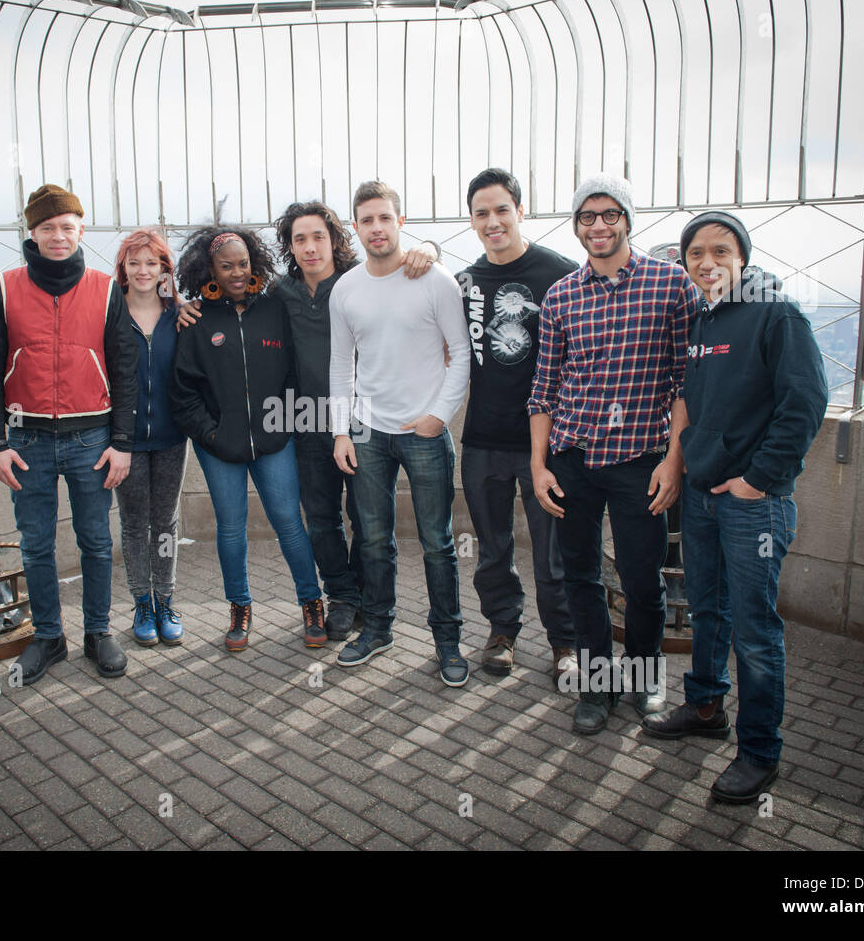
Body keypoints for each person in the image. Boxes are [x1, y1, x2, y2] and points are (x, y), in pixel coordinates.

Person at [186, 202, 440, 642]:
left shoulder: (363, 282)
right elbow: (226, 300)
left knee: (367, 520)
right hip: (303, 423)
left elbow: (404, 272)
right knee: (320, 519)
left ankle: (371, 601)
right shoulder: (280, 294)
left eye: (317, 236)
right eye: (299, 239)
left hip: (360, 423)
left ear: (335, 239)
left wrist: (430, 248)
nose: (309, 246)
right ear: (288, 246)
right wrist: (181, 304)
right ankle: (340, 598)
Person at [642, 211, 827, 804]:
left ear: (742, 257)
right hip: (701, 496)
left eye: (721, 251)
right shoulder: (699, 322)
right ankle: (703, 709)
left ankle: (759, 754)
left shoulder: (778, 315)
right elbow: (693, 404)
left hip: (752, 506)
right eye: (696, 253)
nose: (706, 262)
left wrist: (758, 480)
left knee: (754, 631)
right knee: (708, 612)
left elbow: (805, 403)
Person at [528, 174, 700, 735]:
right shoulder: (561, 295)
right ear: (576, 225)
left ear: (627, 219)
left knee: (642, 578)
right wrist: (538, 465)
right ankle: (598, 685)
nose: (598, 226)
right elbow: (545, 388)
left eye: (609, 215)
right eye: (586, 217)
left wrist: (673, 460)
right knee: (579, 575)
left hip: (639, 461)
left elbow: (685, 382)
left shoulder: (671, 285)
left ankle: (648, 677)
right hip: (573, 457)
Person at [0, 184, 136, 685]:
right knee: (36, 545)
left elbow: (125, 367)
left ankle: (97, 632)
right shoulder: (5, 287)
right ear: (32, 233)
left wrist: (123, 442)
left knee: (95, 541)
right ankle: (48, 637)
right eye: (48, 228)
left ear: (81, 229)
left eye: (68, 227)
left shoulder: (105, 287)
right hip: (26, 443)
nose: (58, 236)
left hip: (93, 437)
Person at [330, 181, 472, 687]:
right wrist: (341, 431)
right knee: (372, 540)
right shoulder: (345, 288)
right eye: (366, 220)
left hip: (424, 433)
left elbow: (461, 353)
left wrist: (438, 416)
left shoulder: (434, 279)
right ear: (356, 227)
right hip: (367, 433)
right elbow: (340, 364)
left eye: (384, 218)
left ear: (400, 221)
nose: (376, 228)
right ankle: (379, 630)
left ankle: (448, 642)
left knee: (437, 542)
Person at [169, 225, 325, 651]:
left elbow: (294, 373)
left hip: (274, 440)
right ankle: (239, 608)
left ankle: (311, 602)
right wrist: (211, 434)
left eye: (243, 264)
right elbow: (183, 391)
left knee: (289, 522)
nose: (237, 273)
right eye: (226, 266)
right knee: (231, 528)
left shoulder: (275, 308)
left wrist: (285, 421)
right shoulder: (197, 318)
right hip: (219, 447)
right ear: (211, 270)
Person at [456, 168, 578, 680]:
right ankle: (502, 630)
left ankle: (565, 644)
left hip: (545, 448)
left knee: (555, 556)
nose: (493, 221)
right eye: (481, 213)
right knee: (493, 550)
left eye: (502, 209)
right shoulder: (462, 283)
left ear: (520, 211)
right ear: (472, 220)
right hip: (483, 441)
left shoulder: (561, 274)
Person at [111, 227, 188, 648]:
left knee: (166, 523)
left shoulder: (179, 315)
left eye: (151, 262)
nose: (143, 270)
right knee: (134, 524)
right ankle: (141, 603)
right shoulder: (110, 313)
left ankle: (166, 600)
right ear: (123, 267)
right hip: (126, 441)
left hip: (172, 437)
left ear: (164, 268)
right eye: (134, 262)